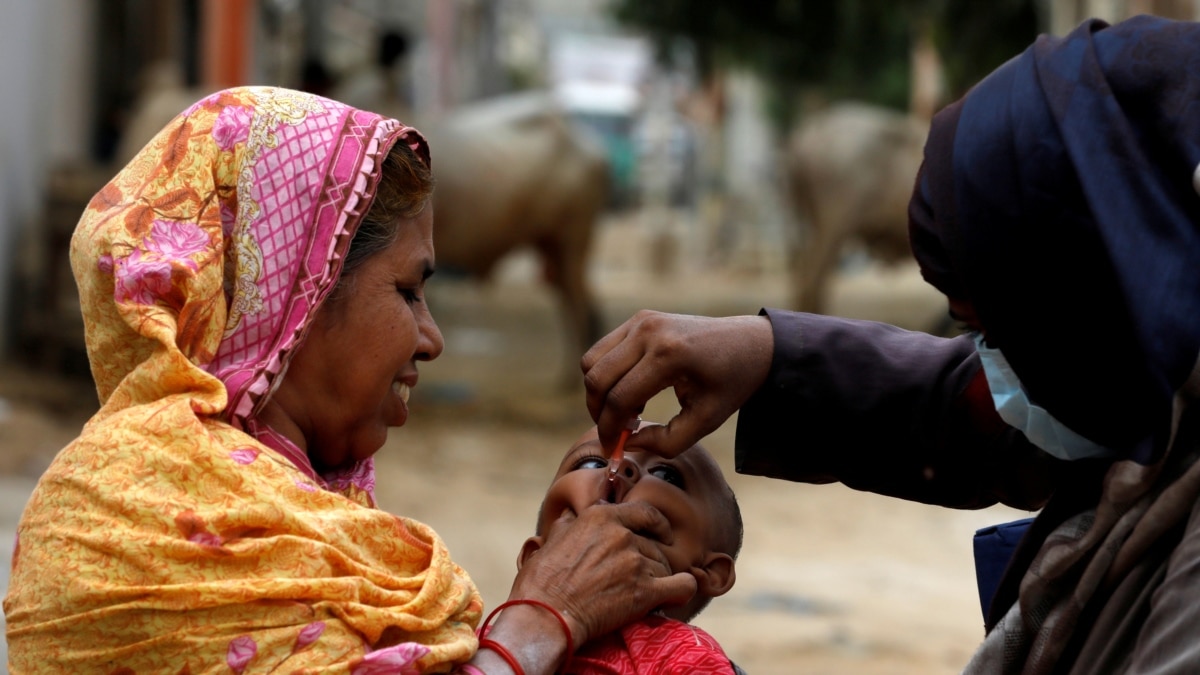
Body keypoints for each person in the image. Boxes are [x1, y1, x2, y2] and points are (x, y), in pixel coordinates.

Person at [581, 15, 1200, 674]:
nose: (617, 474)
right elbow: (974, 404)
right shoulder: (1153, 385)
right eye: (587, 468)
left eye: (995, 334)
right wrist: (773, 353)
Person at [3, 86, 696, 674]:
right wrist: (543, 622)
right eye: (407, 292)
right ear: (294, 296)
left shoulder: (309, 518)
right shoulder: (116, 523)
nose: (433, 339)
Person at [508, 423, 744, 674]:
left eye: (666, 475)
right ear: (535, 557)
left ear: (709, 570)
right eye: (590, 464)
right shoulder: (472, 636)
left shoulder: (686, 656)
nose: (619, 467)